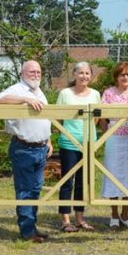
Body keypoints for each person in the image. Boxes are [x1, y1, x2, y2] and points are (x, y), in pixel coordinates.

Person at [0, 60, 53, 243]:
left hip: (41, 148)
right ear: (22, 73)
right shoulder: (17, 89)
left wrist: (49, 140)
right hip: (24, 148)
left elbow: (44, 119)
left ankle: (32, 227)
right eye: (31, 71)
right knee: (25, 191)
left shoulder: (40, 91)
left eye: (38, 71)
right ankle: (27, 232)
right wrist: (25, 99)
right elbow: (0, 100)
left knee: (35, 190)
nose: (35, 74)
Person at [55, 61, 100, 232]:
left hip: (89, 143)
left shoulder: (96, 94)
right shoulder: (65, 93)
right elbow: (58, 117)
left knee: (83, 181)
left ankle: (80, 218)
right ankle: (66, 220)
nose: (84, 76)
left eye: (87, 73)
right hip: (69, 143)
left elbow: (97, 118)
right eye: (80, 73)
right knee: (67, 181)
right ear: (74, 74)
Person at [100, 61, 128, 230]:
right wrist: (107, 133)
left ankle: (125, 215)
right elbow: (101, 116)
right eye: (122, 74)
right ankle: (114, 214)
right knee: (113, 173)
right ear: (116, 77)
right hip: (114, 139)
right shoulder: (109, 93)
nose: (125, 77)